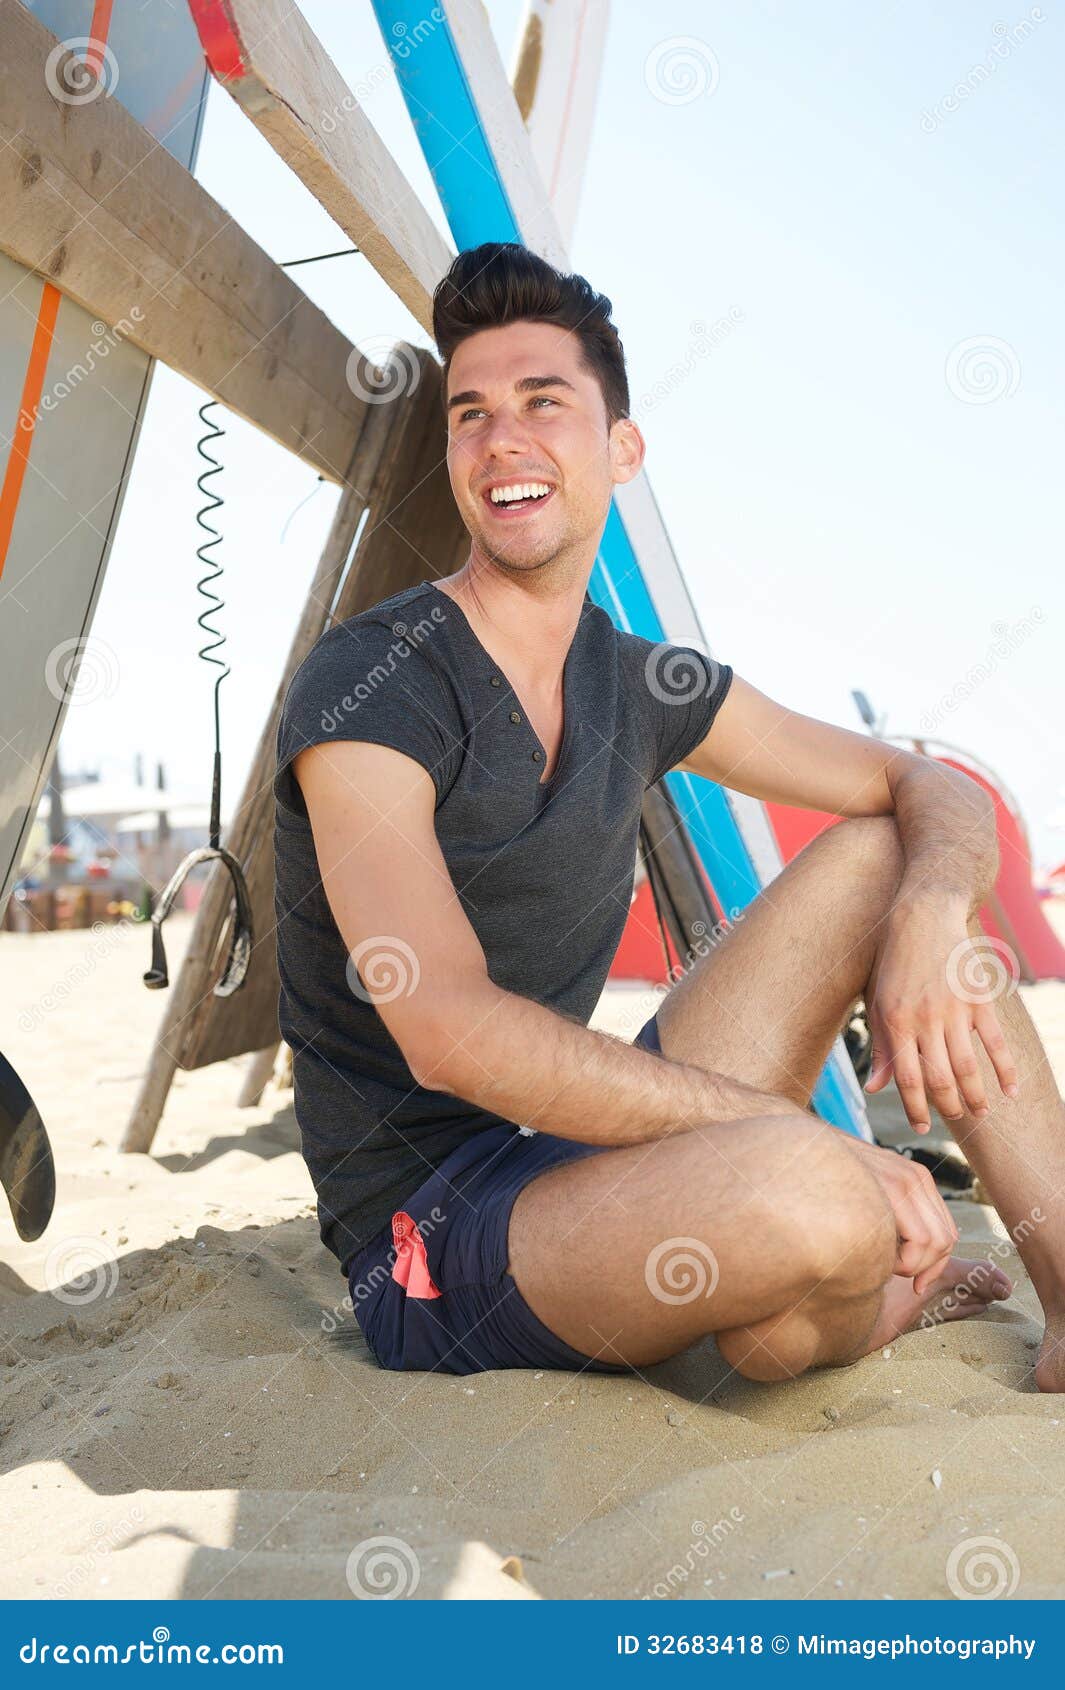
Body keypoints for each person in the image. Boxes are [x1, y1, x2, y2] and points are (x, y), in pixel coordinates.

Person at [273, 242, 1064, 1389]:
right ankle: (840, 1291)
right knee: (811, 1198)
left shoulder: (642, 683)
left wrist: (933, 914)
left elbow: (927, 785)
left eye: (545, 403)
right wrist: (776, 1129)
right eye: (471, 414)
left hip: (588, 1155)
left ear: (622, 449)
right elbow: (448, 1030)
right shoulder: (374, 684)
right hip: (431, 1234)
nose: (503, 441)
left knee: (889, 851)